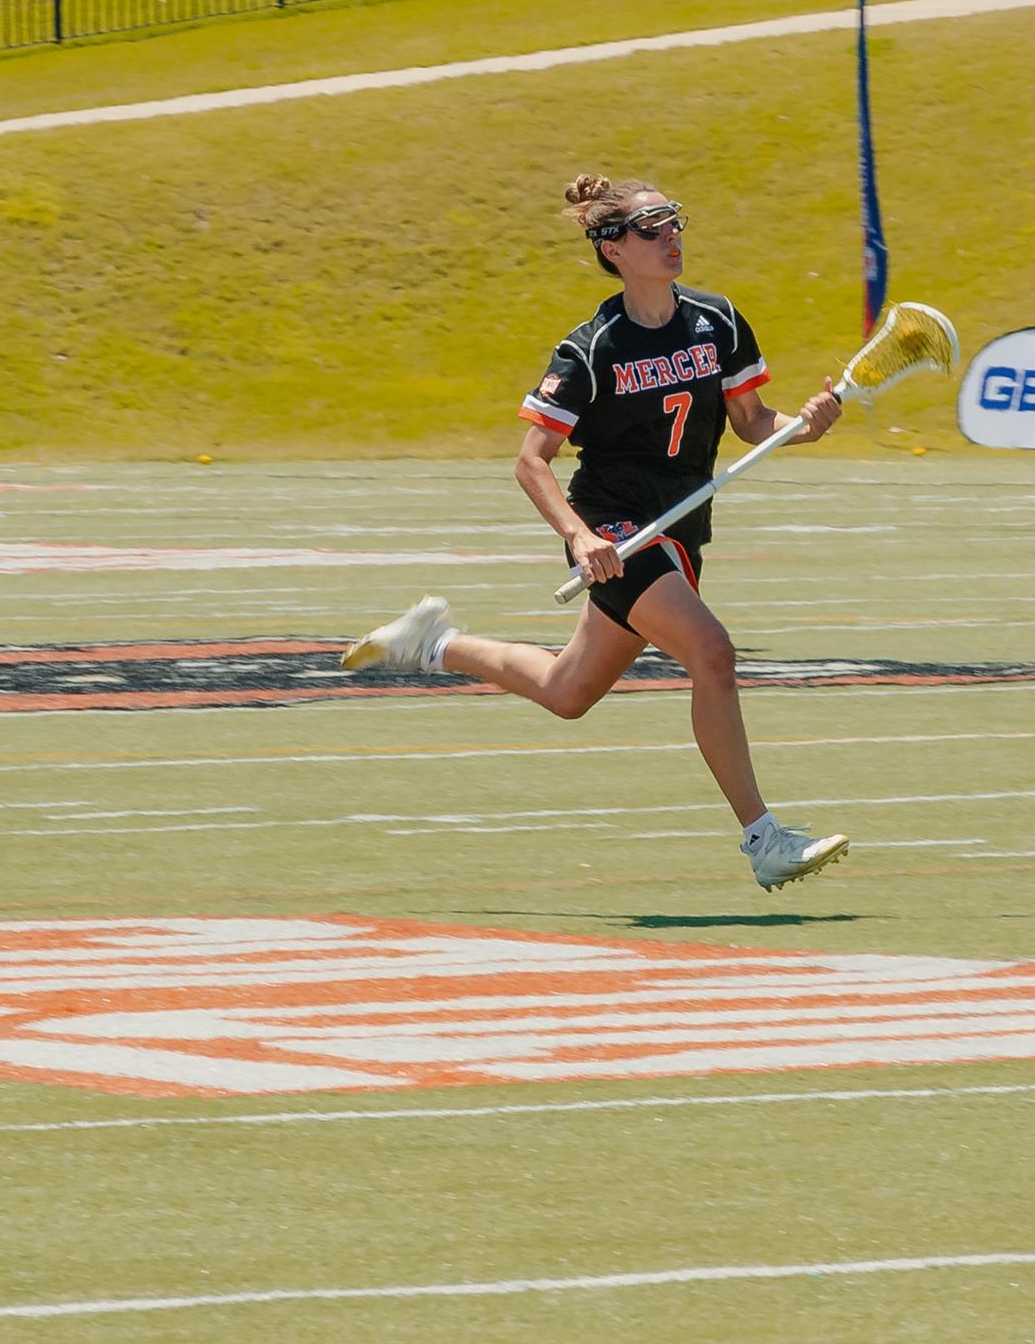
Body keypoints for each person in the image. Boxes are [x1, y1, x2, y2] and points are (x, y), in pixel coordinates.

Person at [342, 174, 853, 892]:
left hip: (678, 531)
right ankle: (764, 839)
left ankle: (432, 642)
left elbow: (753, 424)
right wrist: (582, 539)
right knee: (712, 653)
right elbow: (532, 462)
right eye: (653, 228)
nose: (673, 236)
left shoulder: (718, 319)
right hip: (615, 527)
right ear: (612, 248)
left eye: (676, 221)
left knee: (567, 690)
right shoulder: (589, 350)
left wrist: (806, 425)